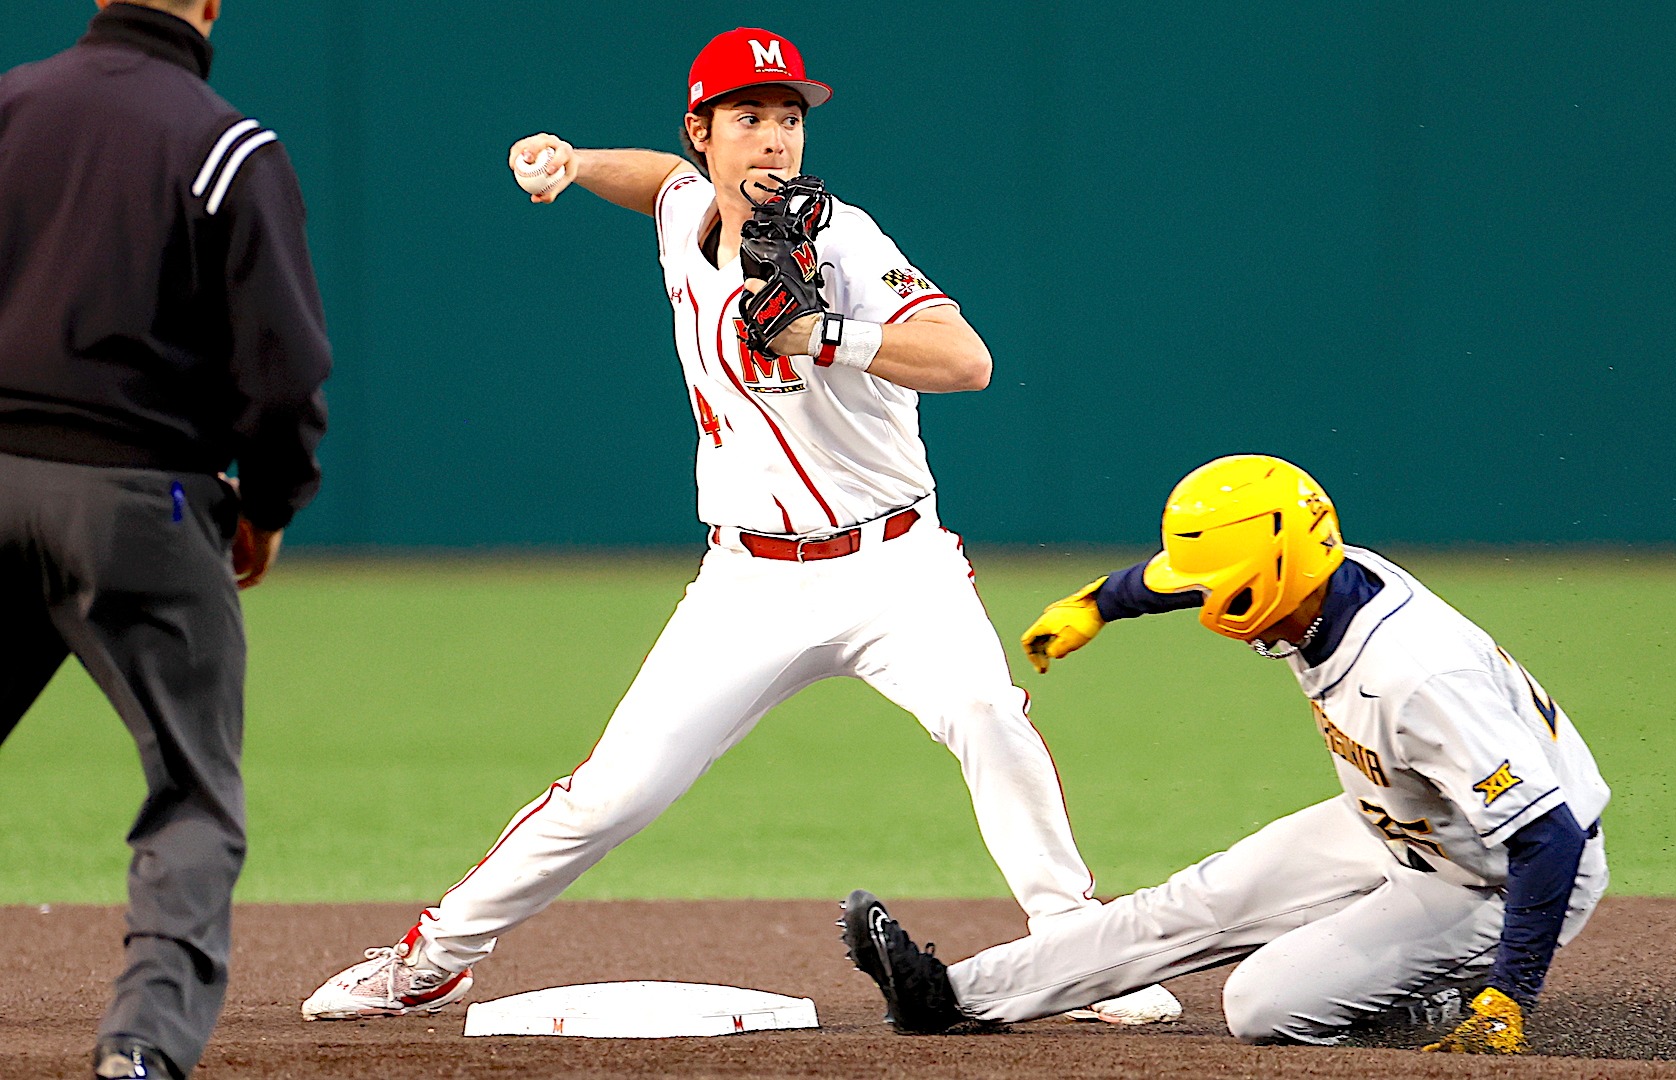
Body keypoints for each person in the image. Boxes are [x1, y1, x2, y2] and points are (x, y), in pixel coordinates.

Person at [300, 25, 1177, 1027]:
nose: (775, 139)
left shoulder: (839, 239)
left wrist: (828, 332)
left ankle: (1074, 952)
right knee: (612, 794)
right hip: (747, 584)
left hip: (895, 567)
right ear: (703, 130)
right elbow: (661, 184)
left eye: (789, 118)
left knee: (989, 716)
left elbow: (966, 358)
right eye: (750, 117)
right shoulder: (685, 212)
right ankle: (433, 957)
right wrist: (577, 164)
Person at [840, 455, 1611, 1053]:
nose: (1206, 600)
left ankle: (1441, 992)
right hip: (1407, 822)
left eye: (1221, 589)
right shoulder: (1325, 577)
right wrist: (1106, 602)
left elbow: (1551, 839)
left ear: (1276, 576)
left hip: (1503, 877)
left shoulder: (1416, 676)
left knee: (1263, 1006)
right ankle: (945, 995)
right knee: (1191, 904)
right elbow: (1193, 574)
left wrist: (1512, 994)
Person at [0, 1, 333, 1076]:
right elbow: (281, 369)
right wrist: (270, 503)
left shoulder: (7, 106)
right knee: (191, 792)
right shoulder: (226, 144)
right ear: (210, 3)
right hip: (141, 501)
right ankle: (140, 1048)